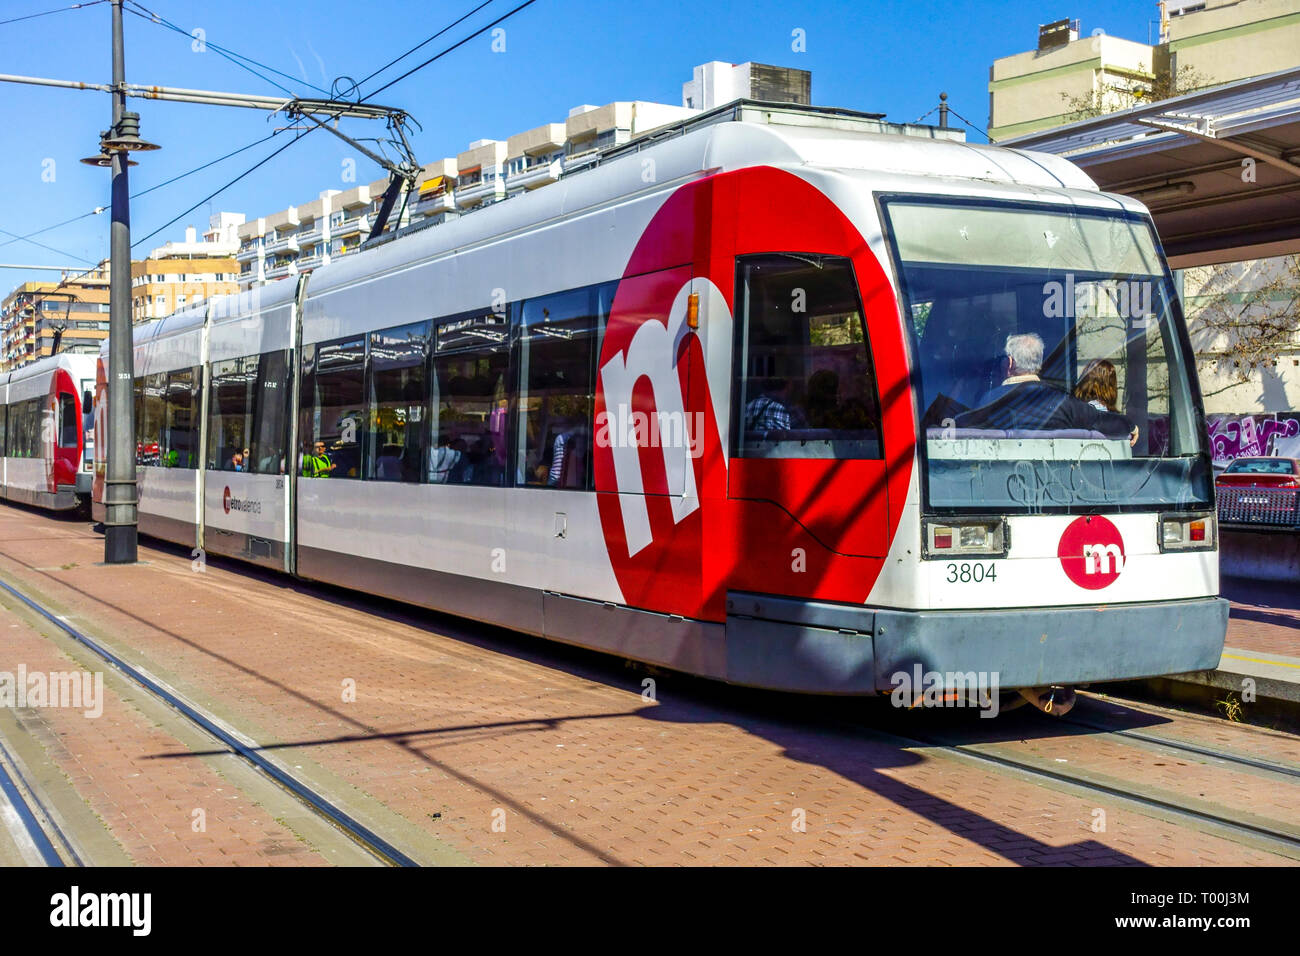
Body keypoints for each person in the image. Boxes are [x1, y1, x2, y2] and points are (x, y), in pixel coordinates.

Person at [957, 333, 1134, 439]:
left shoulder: (990, 401)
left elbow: (960, 433)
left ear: (1009, 363)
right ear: (1039, 365)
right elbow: (1107, 421)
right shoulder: (1065, 402)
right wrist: (1131, 426)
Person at [1075, 359, 1139, 447]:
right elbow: (1106, 422)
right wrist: (1133, 428)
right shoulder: (1093, 409)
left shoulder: (1075, 406)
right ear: (1110, 386)